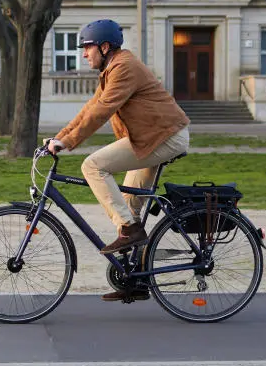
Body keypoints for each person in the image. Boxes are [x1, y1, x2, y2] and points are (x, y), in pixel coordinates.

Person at [43, 19, 190, 302]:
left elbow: (101, 112)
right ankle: (137, 280)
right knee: (128, 205)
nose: (84, 54)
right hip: (149, 137)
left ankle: (131, 230)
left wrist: (68, 143)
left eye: (87, 48)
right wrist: (59, 137)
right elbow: (91, 108)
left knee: (93, 166)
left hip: (165, 137)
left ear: (104, 47)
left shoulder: (124, 68)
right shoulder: (112, 69)